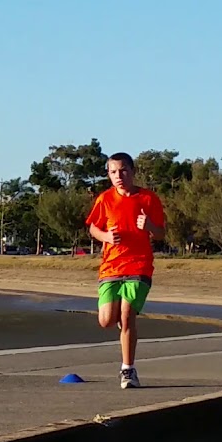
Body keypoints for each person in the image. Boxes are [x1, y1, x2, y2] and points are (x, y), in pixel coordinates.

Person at [86, 152, 166, 389]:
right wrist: (106, 236)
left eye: (123, 171)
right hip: (111, 266)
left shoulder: (148, 198)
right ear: (108, 175)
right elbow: (93, 227)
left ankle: (128, 370)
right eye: (113, 172)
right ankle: (122, 323)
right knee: (107, 320)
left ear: (133, 171)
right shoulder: (105, 199)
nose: (118, 176)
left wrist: (149, 226)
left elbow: (161, 233)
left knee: (127, 315)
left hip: (138, 265)